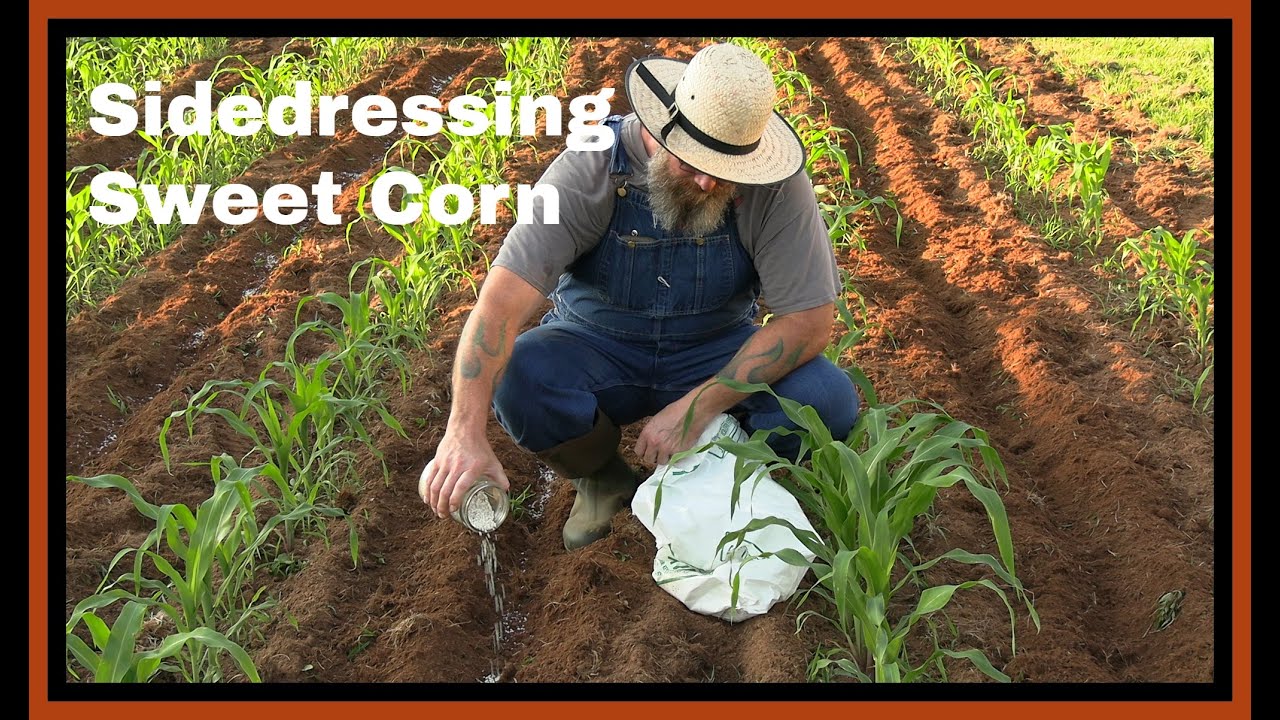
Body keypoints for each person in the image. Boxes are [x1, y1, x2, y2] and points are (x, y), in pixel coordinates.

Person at [419, 43, 860, 550]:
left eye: (725, 169)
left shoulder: (776, 188)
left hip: (713, 347)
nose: (706, 179)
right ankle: (604, 479)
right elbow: (499, 307)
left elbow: (808, 321)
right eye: (693, 160)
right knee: (522, 377)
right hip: (598, 347)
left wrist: (696, 408)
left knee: (825, 401)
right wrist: (463, 432)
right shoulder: (588, 170)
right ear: (660, 126)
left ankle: (719, 476)